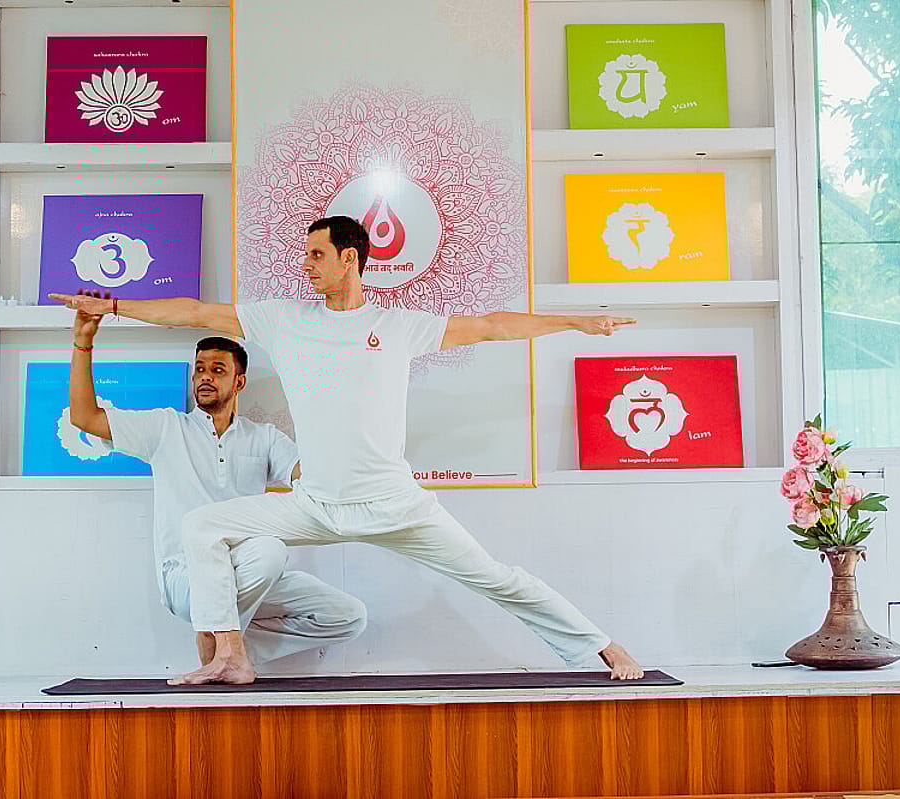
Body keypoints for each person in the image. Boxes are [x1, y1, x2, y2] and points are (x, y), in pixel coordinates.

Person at [52, 216, 644, 685]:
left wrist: (572, 322)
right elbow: (198, 314)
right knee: (203, 524)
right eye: (305, 255)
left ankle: (601, 644)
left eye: (316, 255)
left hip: (394, 504)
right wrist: (113, 305)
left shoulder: (399, 325)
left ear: (350, 259)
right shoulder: (283, 321)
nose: (306, 266)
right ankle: (229, 654)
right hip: (316, 503)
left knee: (496, 578)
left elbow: (490, 325)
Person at [67, 292, 367, 671]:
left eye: (218, 370)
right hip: (187, 577)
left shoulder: (264, 437)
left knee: (347, 615)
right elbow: (84, 417)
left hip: (249, 571)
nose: (205, 377)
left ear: (239, 382)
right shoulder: (166, 427)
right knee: (271, 550)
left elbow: (308, 477)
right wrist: (83, 342)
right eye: (200, 369)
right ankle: (220, 638)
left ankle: (224, 644)